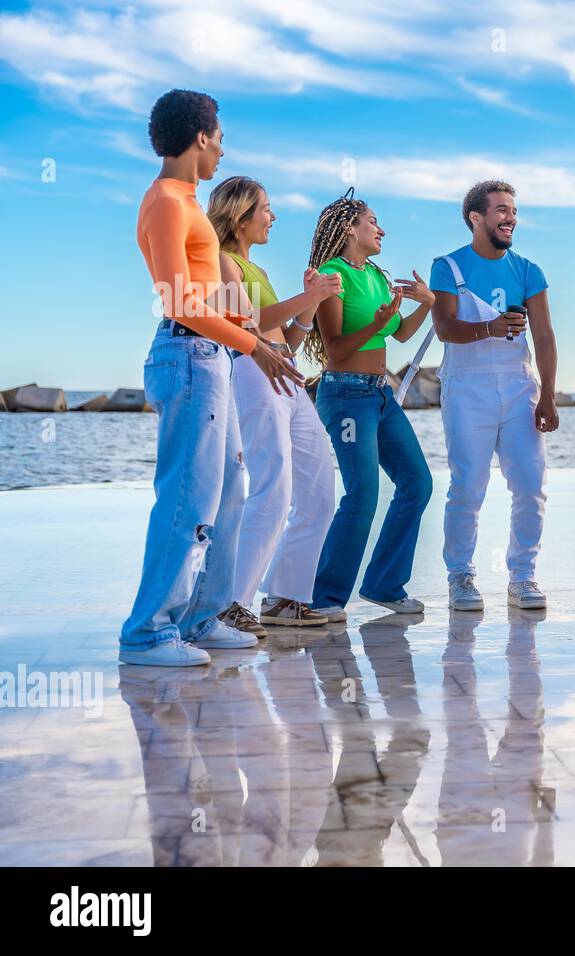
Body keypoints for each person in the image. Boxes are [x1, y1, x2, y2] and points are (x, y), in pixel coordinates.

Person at [120, 89, 303, 667]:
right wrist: (254, 344)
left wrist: (250, 332)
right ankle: (148, 632)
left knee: (230, 492)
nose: (222, 150)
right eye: (220, 138)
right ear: (200, 136)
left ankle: (201, 619)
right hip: (188, 357)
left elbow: (207, 298)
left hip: (211, 358)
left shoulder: (188, 202)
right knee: (187, 497)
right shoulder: (168, 201)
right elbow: (178, 302)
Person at [206, 175, 340, 635]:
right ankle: (232, 602)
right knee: (273, 485)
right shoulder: (223, 263)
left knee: (320, 487)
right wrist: (310, 296)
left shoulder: (257, 270)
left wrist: (307, 307)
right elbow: (248, 324)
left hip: (286, 374)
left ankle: (285, 596)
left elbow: (291, 338)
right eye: (265, 209)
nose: (272, 217)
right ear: (241, 216)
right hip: (252, 371)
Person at [429, 180, 560, 612]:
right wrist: (490, 327)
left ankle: (523, 577)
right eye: (501, 210)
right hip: (467, 388)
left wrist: (549, 396)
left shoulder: (528, 269)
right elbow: (445, 327)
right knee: (468, 485)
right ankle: (460, 576)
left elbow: (543, 336)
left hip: (519, 385)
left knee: (530, 485)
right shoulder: (448, 266)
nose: (510, 218)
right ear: (476, 218)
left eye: (514, 211)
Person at [305, 189, 435, 619]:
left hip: (380, 396)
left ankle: (383, 584)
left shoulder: (378, 275)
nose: (381, 229)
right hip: (345, 394)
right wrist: (376, 323)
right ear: (349, 228)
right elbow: (336, 351)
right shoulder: (333, 275)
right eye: (373, 221)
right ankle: (325, 599)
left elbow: (398, 335)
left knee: (417, 483)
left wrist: (428, 306)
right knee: (363, 494)